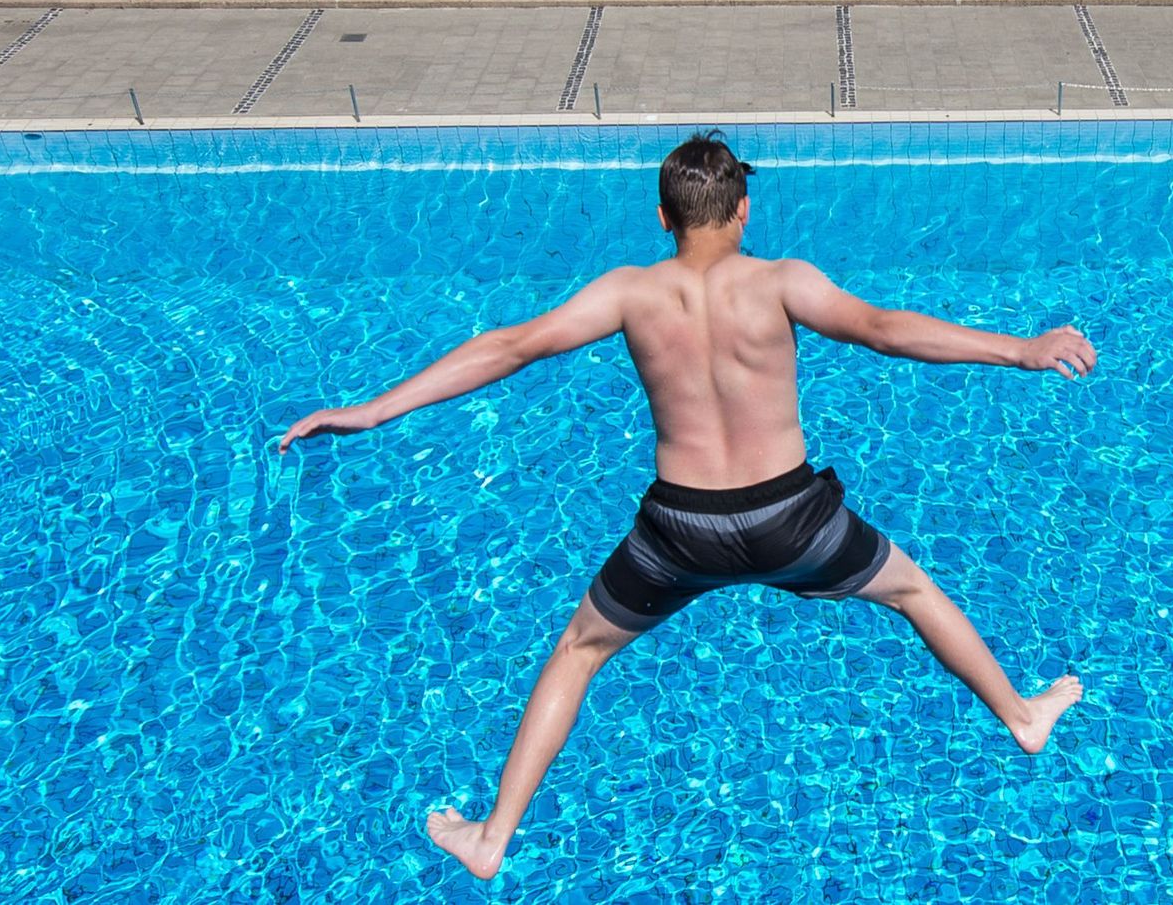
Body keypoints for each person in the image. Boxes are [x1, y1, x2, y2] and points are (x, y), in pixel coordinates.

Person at [279, 132, 1091, 880]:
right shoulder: (781, 280)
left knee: (578, 651)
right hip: (792, 520)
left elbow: (510, 345)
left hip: (681, 531)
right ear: (743, 209)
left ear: (662, 215)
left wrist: (374, 409)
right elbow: (882, 328)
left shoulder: (631, 292)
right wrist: (1018, 349)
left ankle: (491, 837)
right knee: (912, 590)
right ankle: (1020, 716)